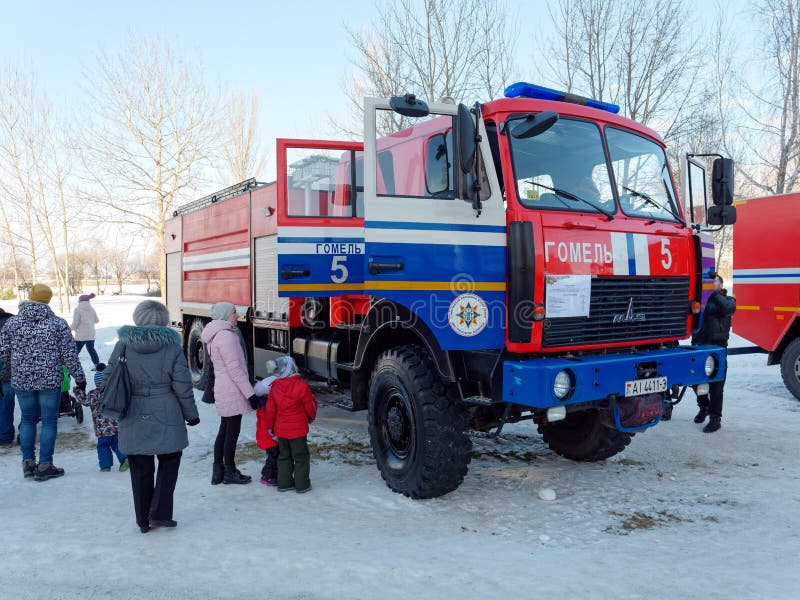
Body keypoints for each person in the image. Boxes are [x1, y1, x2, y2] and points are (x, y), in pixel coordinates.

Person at [106, 300, 199, 533]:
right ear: (163, 319)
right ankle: (160, 513)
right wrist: (191, 414)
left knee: (139, 465)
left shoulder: (123, 345)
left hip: (133, 410)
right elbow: (182, 385)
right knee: (170, 460)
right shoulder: (172, 347)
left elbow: (109, 376)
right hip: (166, 408)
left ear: (138, 317)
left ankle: (143, 520)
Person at [0, 284, 86, 480]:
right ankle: (45, 465)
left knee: (28, 419)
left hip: (22, 380)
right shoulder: (57, 323)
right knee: (48, 421)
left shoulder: (12, 323)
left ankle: (28, 463)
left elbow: (2, 353)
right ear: (48, 299)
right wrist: (80, 379)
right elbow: (70, 355)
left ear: (30, 297)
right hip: (49, 380)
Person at [201, 301, 259, 485]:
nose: (238, 316)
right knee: (231, 433)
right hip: (232, 389)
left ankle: (218, 471)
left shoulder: (215, 334)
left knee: (224, 430)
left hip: (223, 388)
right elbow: (235, 370)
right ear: (226, 314)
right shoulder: (227, 336)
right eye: (234, 312)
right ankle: (229, 472)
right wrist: (251, 394)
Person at [263, 356, 317, 493]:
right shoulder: (302, 386)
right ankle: (302, 485)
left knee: (284, 456)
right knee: (301, 457)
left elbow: (270, 410)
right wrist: (311, 416)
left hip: (281, 431)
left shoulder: (275, 387)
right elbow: (310, 405)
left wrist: (271, 427)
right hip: (298, 431)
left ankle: (284, 483)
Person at [692, 272, 737, 433]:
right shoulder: (701, 300)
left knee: (716, 386)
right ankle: (704, 406)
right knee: (695, 382)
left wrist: (713, 293)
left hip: (717, 348)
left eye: (715, 280)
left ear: (721, 284)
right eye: (710, 281)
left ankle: (715, 418)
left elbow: (727, 309)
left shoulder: (728, 300)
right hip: (699, 346)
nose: (712, 282)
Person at [74, 363, 128, 472]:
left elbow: (84, 401)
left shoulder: (93, 394)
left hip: (102, 430)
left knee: (103, 447)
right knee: (117, 444)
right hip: (116, 426)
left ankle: (105, 466)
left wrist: (77, 391)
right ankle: (124, 459)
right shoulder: (114, 392)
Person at [254, 359, 280, 486]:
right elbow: (270, 422)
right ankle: (267, 476)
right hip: (270, 438)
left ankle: (271, 474)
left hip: (266, 437)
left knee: (273, 456)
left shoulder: (262, 403)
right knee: (273, 457)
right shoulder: (267, 407)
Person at [71, 293, 100, 368]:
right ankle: (97, 365)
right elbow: (96, 320)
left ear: (80, 301)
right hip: (91, 334)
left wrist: (69, 329)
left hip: (81, 335)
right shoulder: (92, 309)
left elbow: (75, 322)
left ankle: (69, 366)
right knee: (91, 350)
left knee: (75, 351)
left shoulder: (77, 310)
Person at [0, 307, 16, 448]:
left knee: (4, 407)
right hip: (21, 371)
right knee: (30, 408)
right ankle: (24, 434)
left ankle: (5, 438)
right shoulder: (14, 323)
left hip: (2, 375)